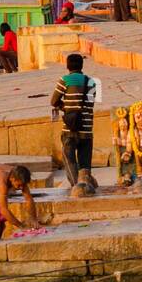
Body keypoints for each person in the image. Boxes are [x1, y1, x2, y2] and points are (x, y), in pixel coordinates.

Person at [51, 52, 96, 188]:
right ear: (82, 65)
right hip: (86, 128)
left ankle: (76, 186)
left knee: (69, 159)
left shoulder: (64, 80)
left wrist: (66, 108)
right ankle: (86, 184)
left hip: (69, 127)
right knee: (85, 162)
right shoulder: (92, 82)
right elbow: (91, 104)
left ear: (67, 66)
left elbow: (54, 101)